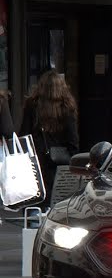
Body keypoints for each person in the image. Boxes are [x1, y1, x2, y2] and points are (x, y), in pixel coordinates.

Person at [21, 70, 79, 206]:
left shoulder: (32, 105)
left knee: (35, 200)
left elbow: (24, 133)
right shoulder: (67, 107)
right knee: (57, 200)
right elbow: (73, 139)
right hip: (59, 162)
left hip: (35, 159)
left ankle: (33, 223)